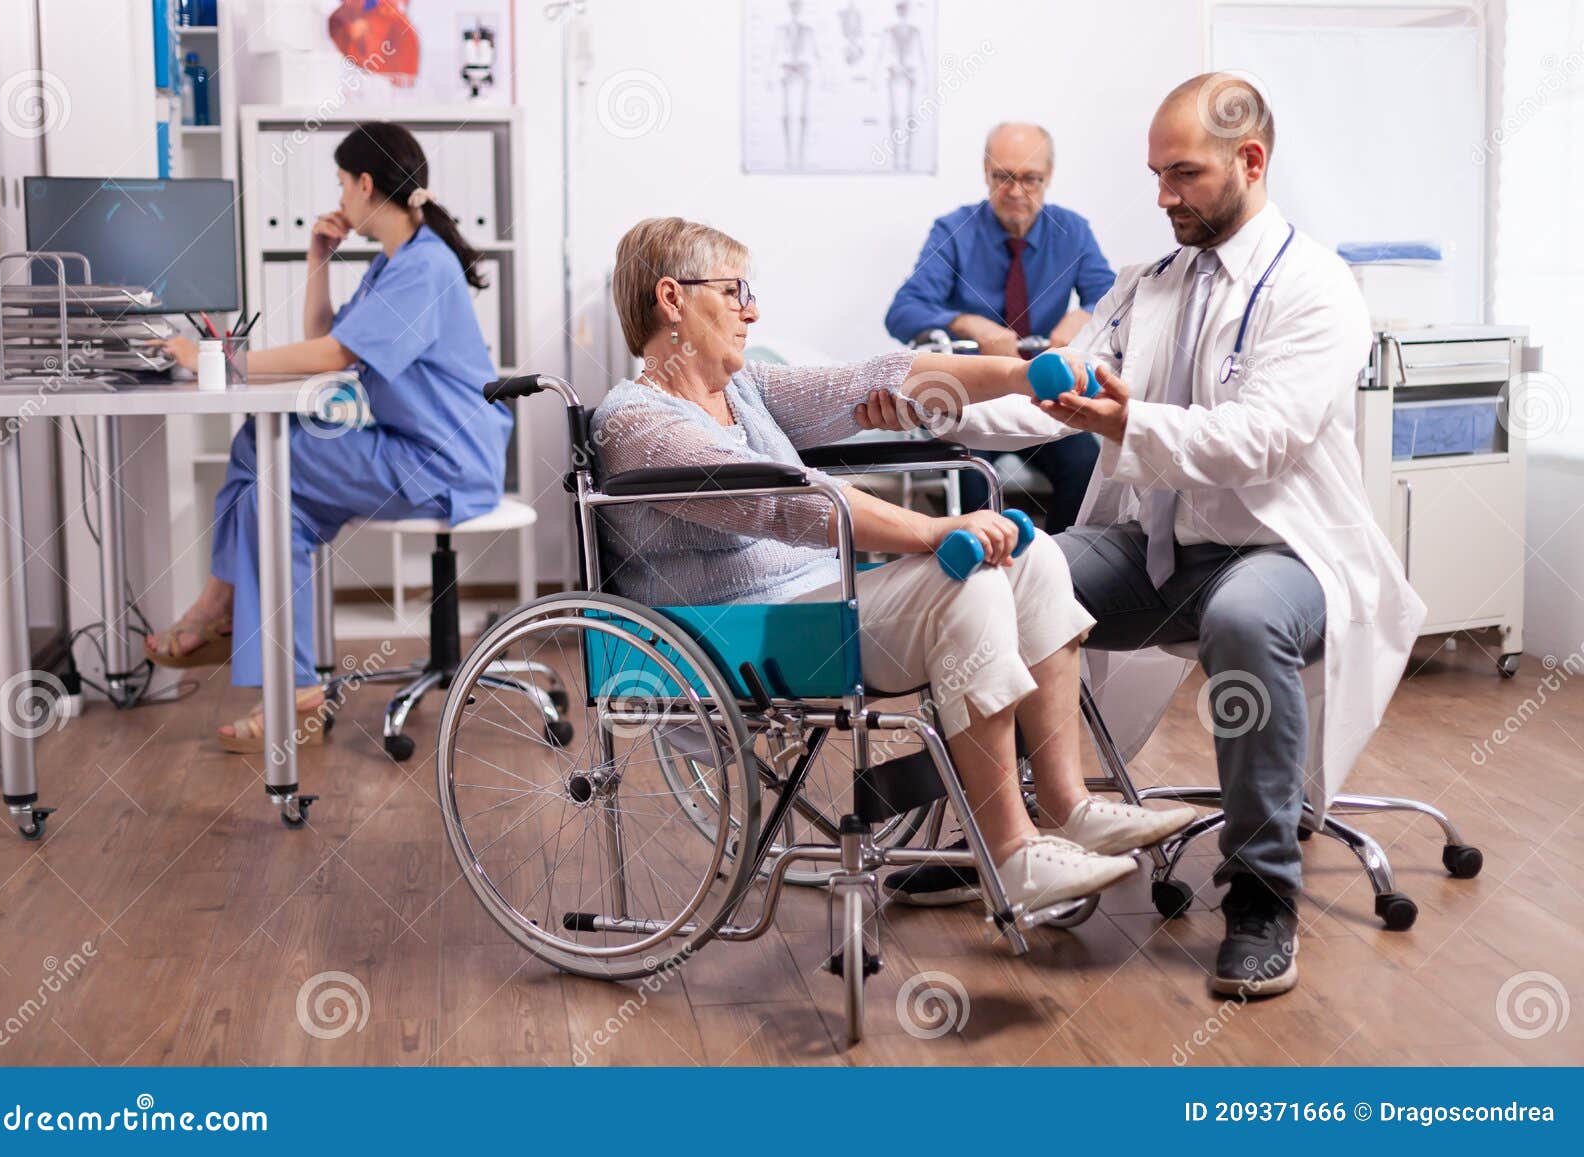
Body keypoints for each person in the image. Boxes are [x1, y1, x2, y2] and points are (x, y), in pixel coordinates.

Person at [861, 74, 1425, 997]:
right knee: (999, 571)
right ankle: (1002, 832)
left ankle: (1260, 896)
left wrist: (1124, 422)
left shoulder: (1317, 289)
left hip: (1285, 555)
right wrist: (935, 411)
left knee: (1243, 620)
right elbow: (1054, 400)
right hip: (1158, 551)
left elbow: (1258, 441)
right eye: (1156, 174)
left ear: (1252, 160)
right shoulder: (1148, 284)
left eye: (1184, 174)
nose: (1162, 195)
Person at [592, 216, 1194, 920]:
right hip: (732, 638)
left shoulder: (746, 391)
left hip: (814, 608)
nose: (752, 308)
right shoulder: (634, 422)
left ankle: (1067, 802)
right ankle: (1012, 850)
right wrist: (936, 530)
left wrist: (1022, 374)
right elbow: (781, 507)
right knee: (962, 581)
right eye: (734, 290)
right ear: (671, 298)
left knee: (1031, 557)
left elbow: (877, 377)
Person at [146, 122, 511, 752]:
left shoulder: (422, 267)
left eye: (343, 185)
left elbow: (333, 355)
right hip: (414, 448)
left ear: (366, 184)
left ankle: (225, 616)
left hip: (445, 462)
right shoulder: (396, 262)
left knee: (269, 460)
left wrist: (211, 358)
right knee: (268, 478)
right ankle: (285, 678)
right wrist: (318, 259)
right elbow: (329, 336)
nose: (340, 199)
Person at [884, 123, 1115, 529]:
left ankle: (1057, 570)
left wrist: (1085, 315)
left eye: (1030, 178)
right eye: (1003, 177)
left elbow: (1118, 301)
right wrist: (968, 323)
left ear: (1049, 177)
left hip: (1045, 398)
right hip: (975, 400)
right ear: (985, 172)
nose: (1015, 191)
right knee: (973, 480)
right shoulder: (954, 230)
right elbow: (903, 311)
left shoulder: (1073, 231)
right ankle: (986, 581)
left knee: (1087, 469)